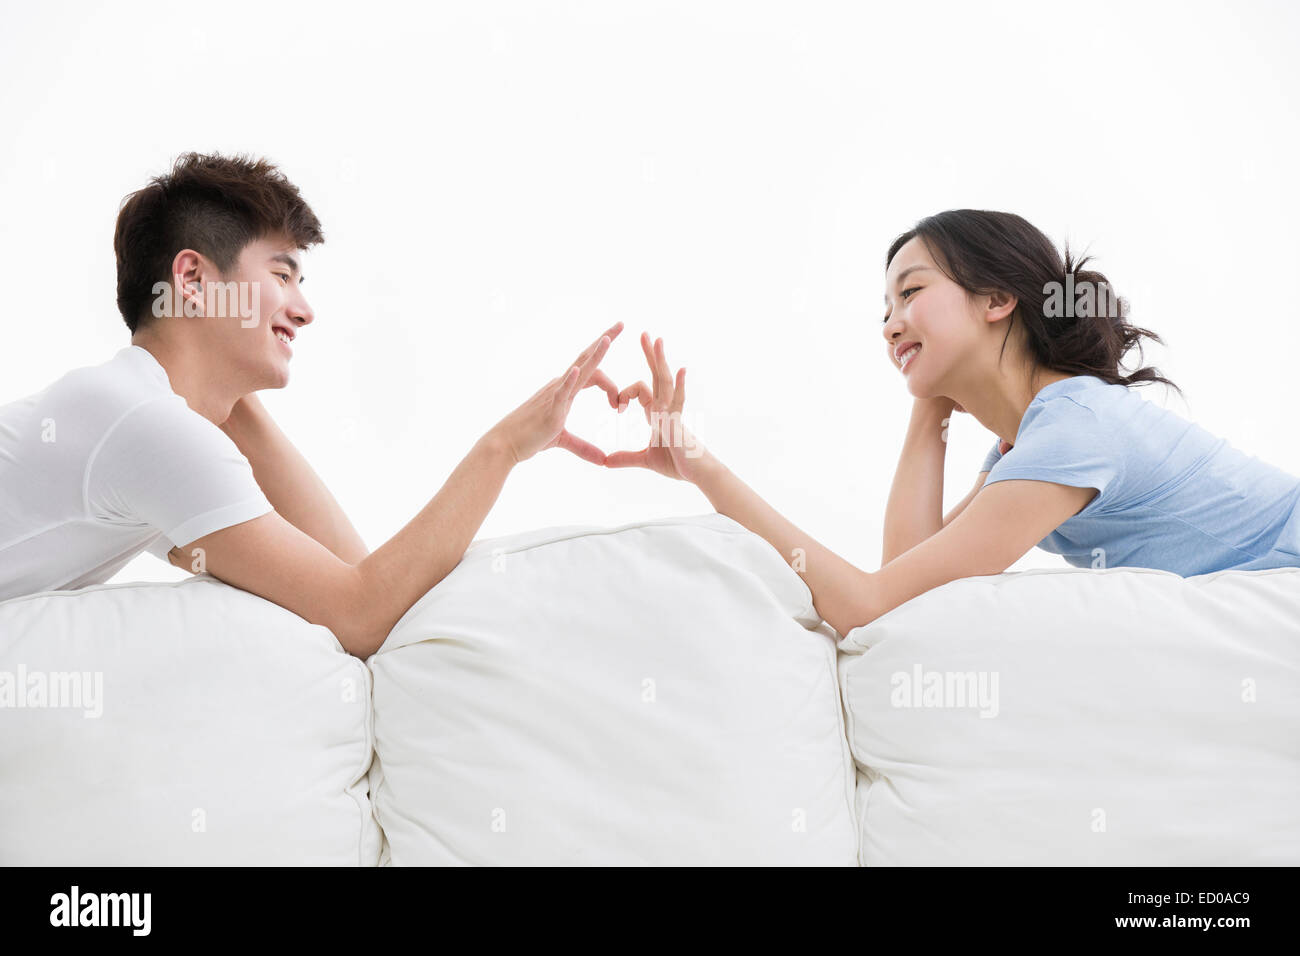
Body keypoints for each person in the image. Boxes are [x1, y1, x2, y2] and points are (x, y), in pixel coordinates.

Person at [0, 152, 620, 656]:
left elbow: (353, 573)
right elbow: (361, 615)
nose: (303, 309)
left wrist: (232, 400)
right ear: (191, 280)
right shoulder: (145, 425)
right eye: (281, 275)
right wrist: (503, 448)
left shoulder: (144, 420)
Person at [606, 209, 1300, 637]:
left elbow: (874, 604)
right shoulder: (1026, 447)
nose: (889, 324)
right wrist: (929, 396)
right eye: (883, 311)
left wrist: (703, 467)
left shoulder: (1074, 428)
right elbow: (911, 581)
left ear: (997, 299)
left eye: (910, 292)